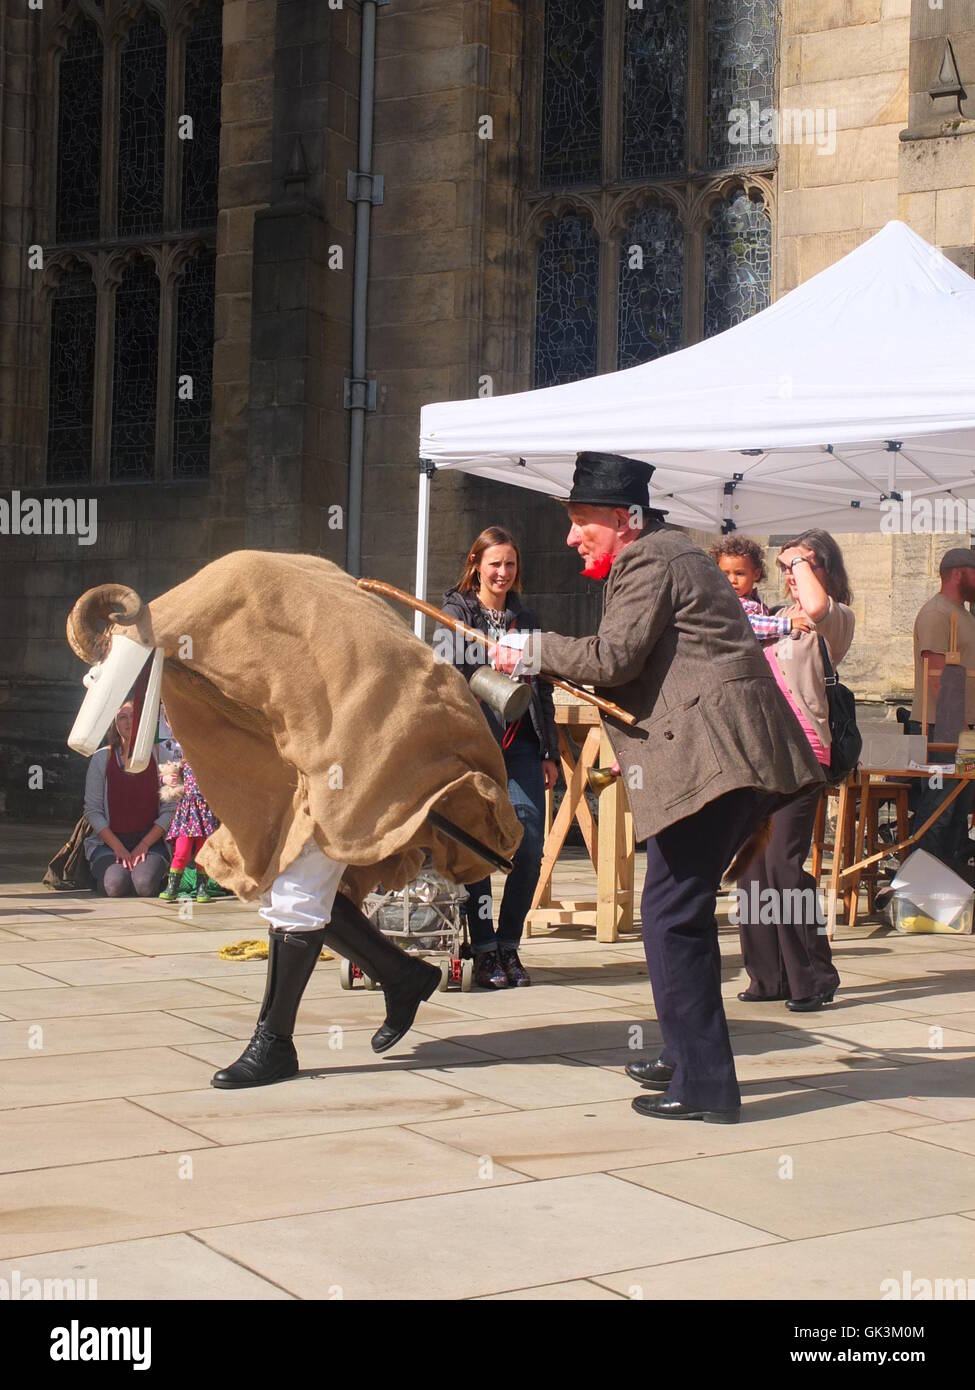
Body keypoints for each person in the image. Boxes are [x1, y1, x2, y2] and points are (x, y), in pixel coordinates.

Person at [65, 554, 522, 1090]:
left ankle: (275, 1045)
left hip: (359, 740)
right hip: (336, 740)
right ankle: (400, 976)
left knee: (298, 889)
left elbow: (319, 676)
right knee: (291, 883)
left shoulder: (231, 596)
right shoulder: (216, 612)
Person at [494, 453, 824, 1123]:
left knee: (671, 914)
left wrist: (531, 650)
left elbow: (614, 657)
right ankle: (683, 1056)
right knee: (678, 909)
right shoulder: (668, 554)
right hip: (727, 756)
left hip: (717, 761)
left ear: (623, 520)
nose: (569, 537)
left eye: (580, 521)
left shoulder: (649, 560)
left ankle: (705, 1086)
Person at [736, 530, 855, 1011]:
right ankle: (768, 977)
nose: (789, 574)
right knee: (751, 870)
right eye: (784, 567)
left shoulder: (836, 618)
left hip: (805, 756)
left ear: (823, 567)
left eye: (800, 565)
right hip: (761, 756)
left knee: (784, 866)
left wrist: (793, 556)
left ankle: (815, 977)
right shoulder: (774, 618)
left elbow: (818, 606)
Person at [440, 528, 559, 988]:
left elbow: (541, 685)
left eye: (510, 564)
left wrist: (550, 750)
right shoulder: (456, 612)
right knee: (479, 848)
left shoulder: (525, 617)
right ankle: (484, 951)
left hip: (523, 744)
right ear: (477, 564)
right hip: (475, 744)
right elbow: (444, 669)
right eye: (495, 564)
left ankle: (510, 946)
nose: (503, 573)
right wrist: (485, 653)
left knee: (529, 846)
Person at [907, 548, 975, 873]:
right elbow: (937, 678)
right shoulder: (936, 613)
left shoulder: (965, 615)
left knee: (960, 810)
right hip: (940, 731)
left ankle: (947, 886)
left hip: (962, 733)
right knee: (938, 808)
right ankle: (919, 883)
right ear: (960, 573)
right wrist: (961, 733)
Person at [83, 701, 174, 897]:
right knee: (115, 886)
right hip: (109, 843)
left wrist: (144, 844)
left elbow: (170, 808)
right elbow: (92, 810)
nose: (128, 722)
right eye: (122, 717)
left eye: (133, 716)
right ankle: (108, 872)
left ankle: (148, 870)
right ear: (115, 724)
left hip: (150, 840)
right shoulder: (101, 758)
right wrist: (118, 847)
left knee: (144, 886)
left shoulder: (159, 755)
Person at [710, 534, 808, 642]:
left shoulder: (755, 603)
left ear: (756, 574)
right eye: (725, 575)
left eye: (739, 574)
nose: (732, 580)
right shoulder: (726, 604)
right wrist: (789, 624)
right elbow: (749, 625)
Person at [159, 760, 219, 903]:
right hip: (187, 814)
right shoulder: (182, 765)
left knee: (203, 853)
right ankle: (173, 886)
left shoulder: (212, 763)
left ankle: (202, 887)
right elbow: (168, 772)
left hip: (205, 813)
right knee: (181, 851)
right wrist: (164, 778)